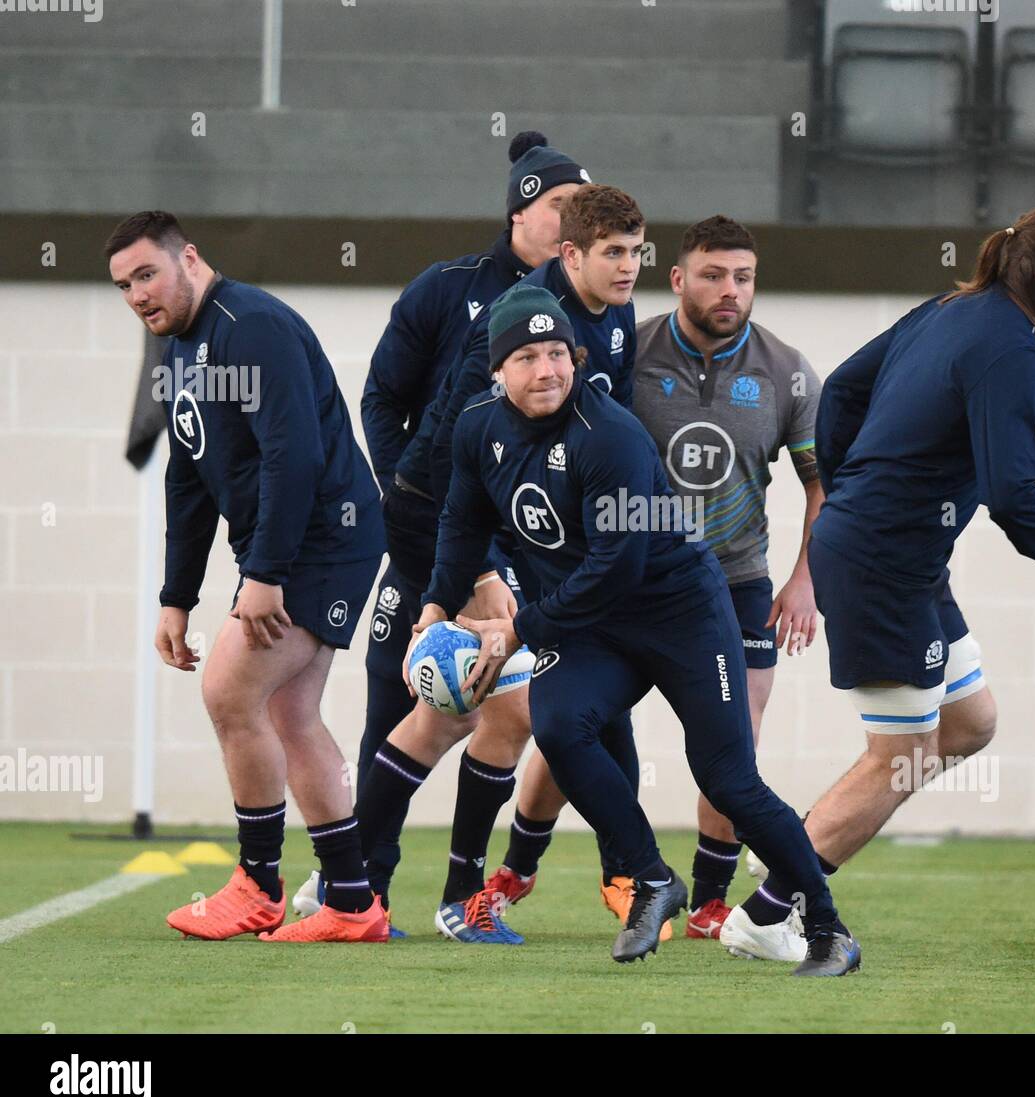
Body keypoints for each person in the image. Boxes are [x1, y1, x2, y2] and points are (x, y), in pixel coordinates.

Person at [407, 284, 860, 975]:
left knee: (729, 779)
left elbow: (619, 567)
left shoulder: (608, 434)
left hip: (679, 613)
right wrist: (435, 609)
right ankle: (651, 877)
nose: (548, 369)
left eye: (558, 352)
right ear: (496, 372)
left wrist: (518, 630)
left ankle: (828, 929)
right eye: (527, 357)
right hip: (591, 625)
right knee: (559, 726)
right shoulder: (477, 427)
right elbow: (462, 526)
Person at [730, 203, 1035, 960]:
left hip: (902, 558)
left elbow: (845, 389)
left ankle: (793, 854)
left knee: (970, 722)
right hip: (886, 561)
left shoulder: (954, 307)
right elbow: (1015, 496)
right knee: (902, 756)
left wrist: (855, 492)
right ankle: (767, 910)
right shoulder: (1010, 350)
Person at [291, 132, 593, 934]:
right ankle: (357, 886)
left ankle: (464, 895)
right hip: (428, 536)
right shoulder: (446, 289)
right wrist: (400, 494)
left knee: (518, 712)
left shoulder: (592, 309)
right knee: (396, 704)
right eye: (562, 207)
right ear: (520, 211)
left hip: (523, 554)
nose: (575, 226)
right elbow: (380, 400)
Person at [495, 215, 826, 942]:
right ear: (677, 278)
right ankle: (519, 867)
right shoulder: (625, 351)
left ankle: (709, 898)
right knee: (566, 725)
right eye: (712, 274)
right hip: (618, 582)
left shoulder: (789, 371)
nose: (729, 290)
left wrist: (805, 581)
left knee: (734, 750)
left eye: (743, 276)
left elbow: (821, 485)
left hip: (733, 581)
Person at [359, 184, 647, 944]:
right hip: (459, 533)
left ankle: (442, 889)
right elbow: (448, 466)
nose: (626, 267)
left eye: (634, 252)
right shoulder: (517, 313)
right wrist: (476, 574)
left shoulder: (613, 318)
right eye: (611, 252)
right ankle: (367, 889)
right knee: (450, 711)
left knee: (539, 714)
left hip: (534, 545)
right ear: (569, 251)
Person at [105, 211, 388, 943]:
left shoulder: (250, 326)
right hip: (293, 546)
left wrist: (265, 573)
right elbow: (189, 477)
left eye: (147, 273)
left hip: (325, 540)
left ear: (188, 258)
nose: (137, 294)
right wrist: (176, 597)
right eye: (124, 284)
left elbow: (292, 456)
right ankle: (353, 903)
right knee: (291, 716)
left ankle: (259, 885)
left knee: (229, 689)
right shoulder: (177, 347)